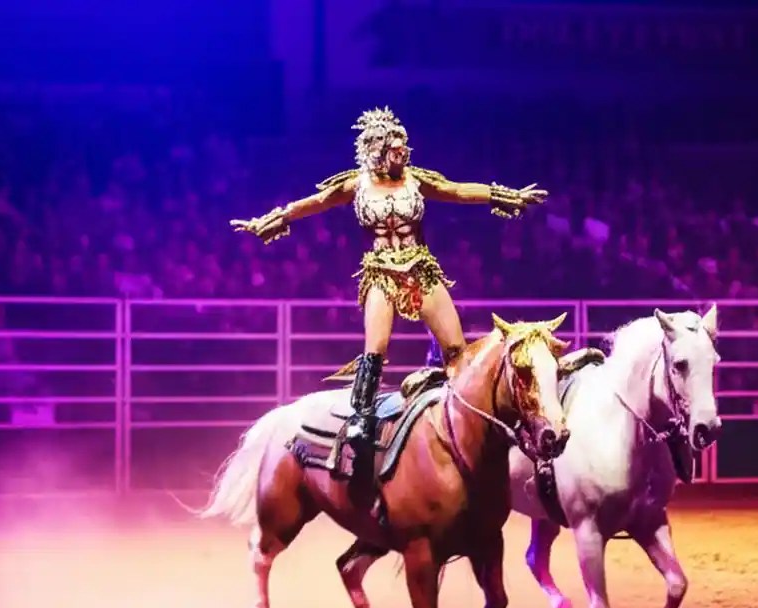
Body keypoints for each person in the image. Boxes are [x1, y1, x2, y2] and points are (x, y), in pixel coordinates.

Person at [230, 107, 548, 512]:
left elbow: (456, 189)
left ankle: (461, 417)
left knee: (456, 349)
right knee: (375, 351)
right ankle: (361, 420)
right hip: (380, 272)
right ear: (377, 151)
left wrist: (506, 196)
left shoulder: (417, 179)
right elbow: (315, 202)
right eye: (395, 150)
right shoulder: (355, 184)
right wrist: (271, 220)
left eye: (404, 149)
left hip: (421, 268)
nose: (403, 155)